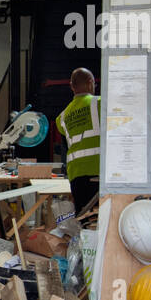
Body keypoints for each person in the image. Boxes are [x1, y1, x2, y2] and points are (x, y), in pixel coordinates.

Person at [56, 68, 102, 212]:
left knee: (83, 217)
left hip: (76, 174)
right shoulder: (100, 103)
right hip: (97, 170)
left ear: (72, 86)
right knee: (99, 219)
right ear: (90, 83)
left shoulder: (62, 117)